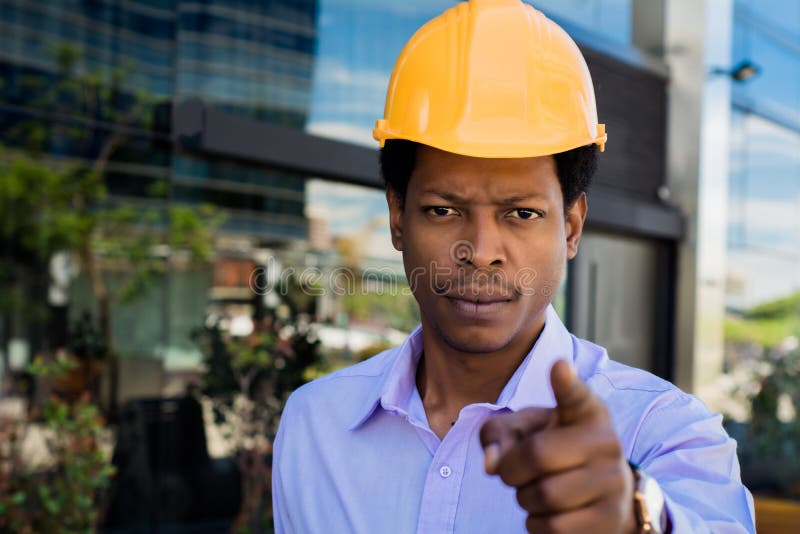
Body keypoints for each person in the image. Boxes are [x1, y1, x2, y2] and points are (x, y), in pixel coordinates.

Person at [272, 1, 755, 532]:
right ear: (397, 218)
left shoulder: (662, 431)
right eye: (443, 210)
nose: (481, 251)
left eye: (522, 213)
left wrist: (637, 515)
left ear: (570, 227)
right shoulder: (314, 425)